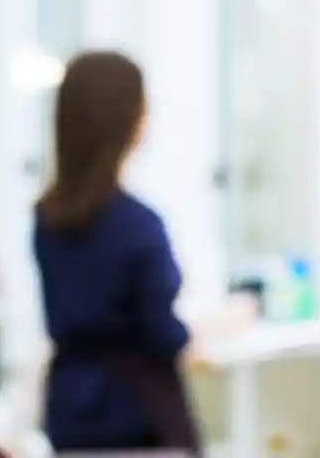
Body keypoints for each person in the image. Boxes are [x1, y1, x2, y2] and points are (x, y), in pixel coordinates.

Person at [33, 51, 201, 454]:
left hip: (70, 414)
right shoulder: (138, 225)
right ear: (130, 120)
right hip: (139, 415)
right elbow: (161, 333)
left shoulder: (46, 221)